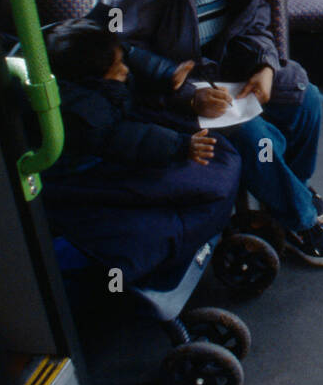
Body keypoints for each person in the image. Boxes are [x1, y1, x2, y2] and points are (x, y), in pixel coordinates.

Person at [93, 0, 323, 266]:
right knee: (248, 129)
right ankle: (297, 219)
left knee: (304, 96)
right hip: (162, 86)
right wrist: (186, 93)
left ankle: (292, 188)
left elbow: (254, 19)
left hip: (223, 66)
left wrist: (265, 64)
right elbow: (118, 49)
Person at [41, 18, 241, 289]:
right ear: (91, 80)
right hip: (93, 168)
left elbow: (132, 56)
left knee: (217, 167)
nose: (125, 70)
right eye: (117, 69)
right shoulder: (85, 114)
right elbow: (126, 138)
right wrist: (181, 146)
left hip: (120, 136)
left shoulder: (95, 62)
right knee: (201, 182)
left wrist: (167, 72)